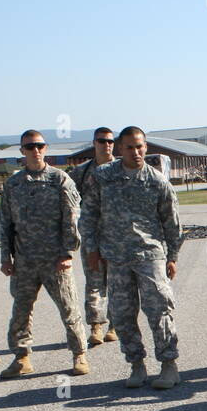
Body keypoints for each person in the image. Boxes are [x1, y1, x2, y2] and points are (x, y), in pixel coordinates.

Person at [79, 126, 183, 390]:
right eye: (130, 147)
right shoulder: (102, 177)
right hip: (115, 257)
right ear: (119, 149)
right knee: (123, 314)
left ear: (146, 147)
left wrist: (172, 257)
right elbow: (88, 214)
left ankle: (169, 365)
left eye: (140, 147)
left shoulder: (157, 181)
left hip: (150, 256)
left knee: (159, 310)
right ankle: (136, 365)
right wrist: (92, 249)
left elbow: (172, 223)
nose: (136, 152)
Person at [0, 130, 87, 378]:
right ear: (22, 151)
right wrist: (6, 257)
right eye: (29, 146)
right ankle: (21, 357)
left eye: (39, 146)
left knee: (68, 309)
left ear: (45, 148)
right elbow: (5, 222)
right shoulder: (13, 184)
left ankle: (79, 354)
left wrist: (68, 252)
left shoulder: (60, 179)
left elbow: (72, 218)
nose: (35, 150)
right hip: (24, 260)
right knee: (21, 311)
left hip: (55, 259)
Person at [70, 127, 118, 347]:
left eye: (110, 141)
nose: (106, 145)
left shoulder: (121, 168)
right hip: (92, 236)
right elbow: (68, 199)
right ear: (94, 143)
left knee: (119, 282)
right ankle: (96, 326)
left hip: (119, 237)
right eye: (102, 141)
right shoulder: (82, 172)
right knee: (95, 282)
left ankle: (115, 325)